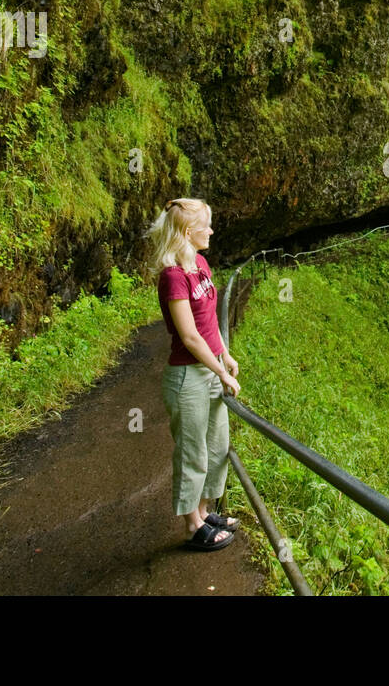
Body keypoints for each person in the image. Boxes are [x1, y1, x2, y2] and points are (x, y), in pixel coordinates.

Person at [144, 197, 243, 551]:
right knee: (193, 453)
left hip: (211, 368)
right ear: (189, 231)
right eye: (207, 225)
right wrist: (221, 371)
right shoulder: (173, 277)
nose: (212, 231)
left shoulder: (199, 263)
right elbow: (188, 336)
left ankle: (203, 512)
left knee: (217, 447)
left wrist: (225, 355)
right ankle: (191, 527)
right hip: (189, 378)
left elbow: (209, 321)